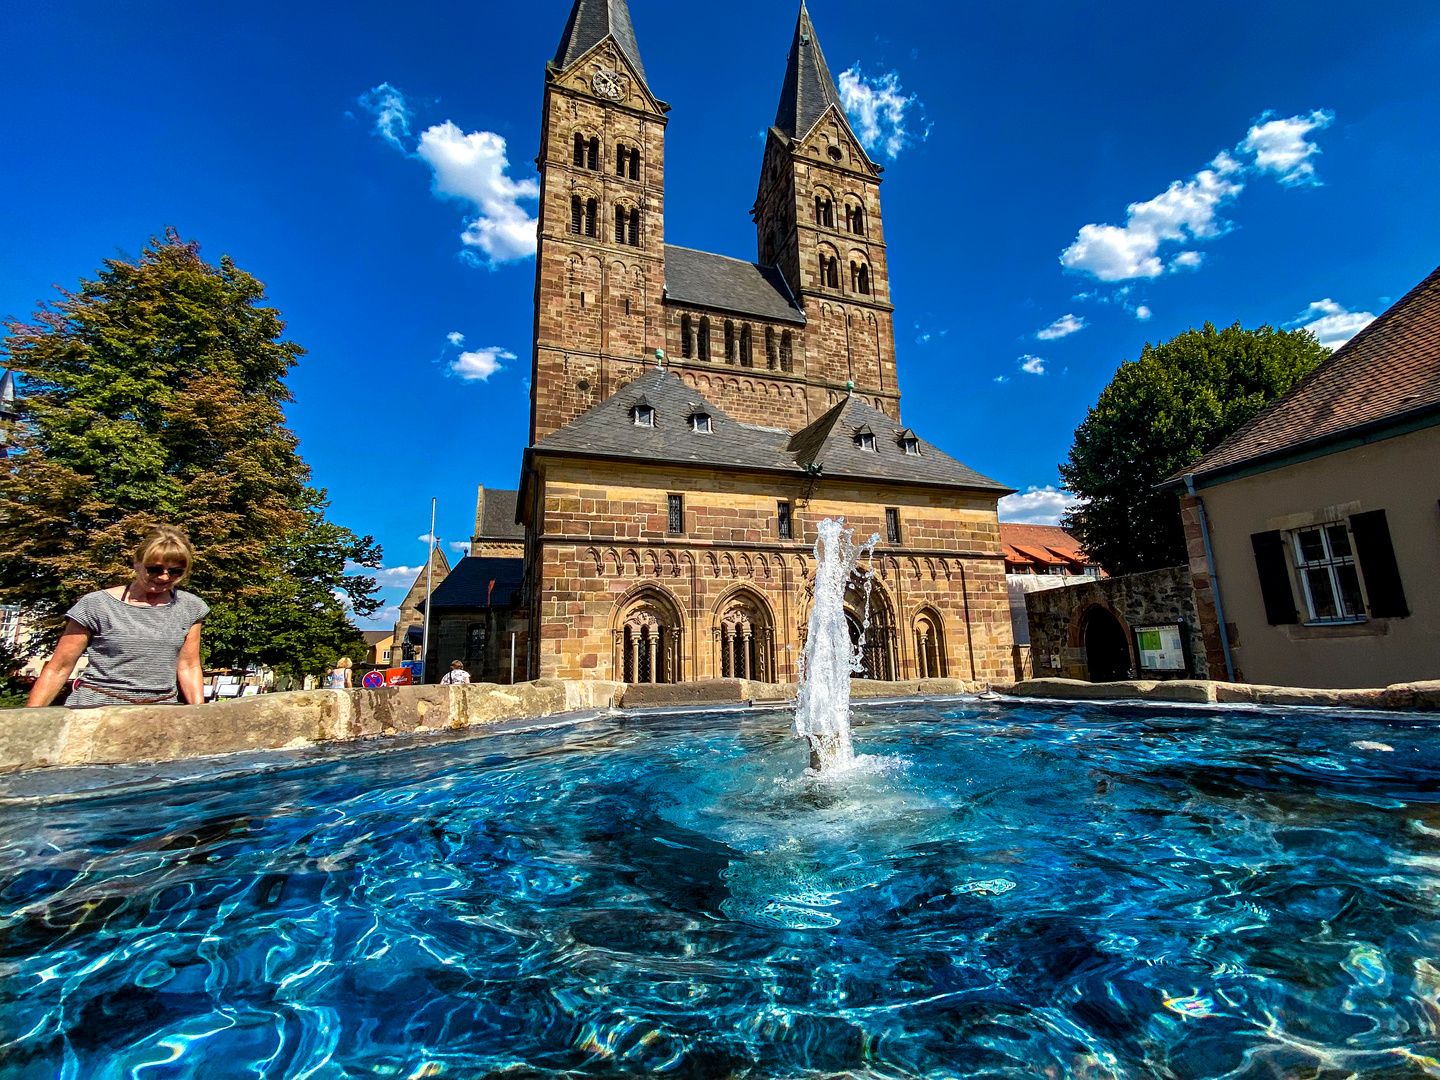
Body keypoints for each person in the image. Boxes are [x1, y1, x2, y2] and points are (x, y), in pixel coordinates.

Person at [27, 525, 209, 708]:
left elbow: (188, 666)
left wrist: (200, 713)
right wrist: (30, 718)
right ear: (136, 562)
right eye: (154, 569)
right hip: (96, 710)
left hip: (159, 712)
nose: (164, 577)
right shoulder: (97, 605)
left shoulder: (190, 607)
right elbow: (59, 667)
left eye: (175, 571)